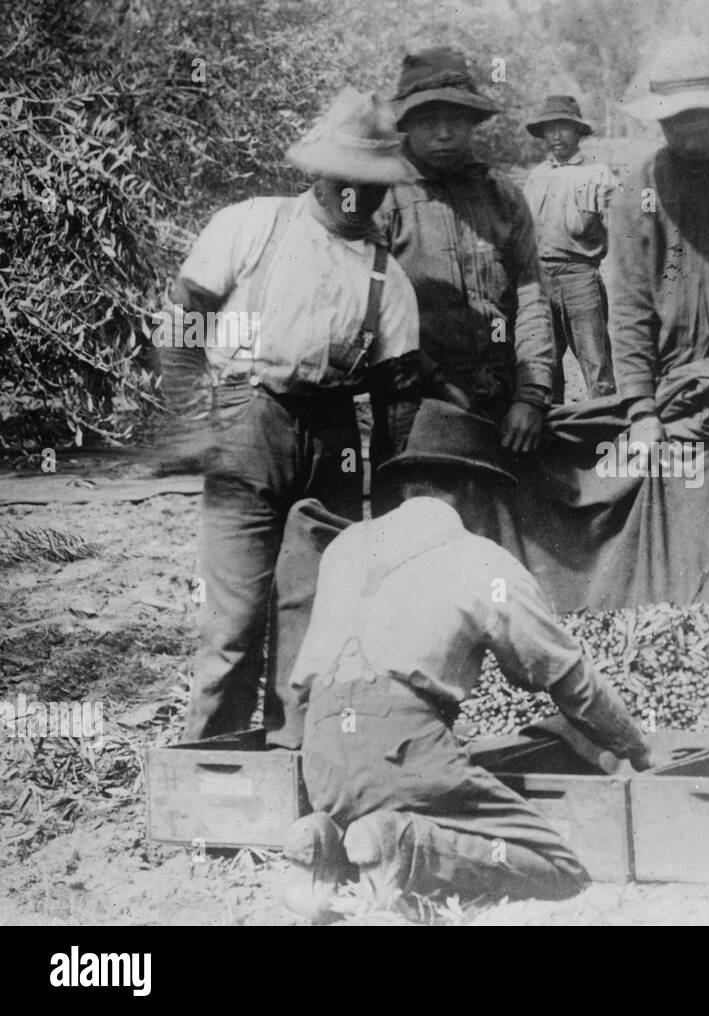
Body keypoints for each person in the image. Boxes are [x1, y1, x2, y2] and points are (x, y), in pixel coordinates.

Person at [280, 401, 657, 920]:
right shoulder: (482, 561)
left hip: (321, 757)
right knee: (558, 865)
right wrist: (637, 748)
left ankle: (326, 838)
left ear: (412, 484)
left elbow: (303, 681)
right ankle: (401, 845)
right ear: (475, 490)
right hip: (402, 748)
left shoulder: (347, 545)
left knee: (397, 802)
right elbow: (568, 677)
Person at [164, 89, 439, 747]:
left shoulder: (385, 279)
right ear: (318, 171)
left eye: (373, 185)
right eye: (347, 179)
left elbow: (396, 400)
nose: (359, 196)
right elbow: (186, 316)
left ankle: (295, 767)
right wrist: (187, 415)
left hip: (334, 436)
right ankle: (211, 771)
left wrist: (398, 513)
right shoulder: (252, 226)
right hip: (247, 420)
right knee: (234, 622)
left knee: (315, 615)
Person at [376, 47, 553, 455]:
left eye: (455, 119)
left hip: (503, 397)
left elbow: (531, 296)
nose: (443, 133)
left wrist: (531, 394)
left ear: (472, 122)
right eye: (427, 120)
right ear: (405, 125)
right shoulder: (383, 199)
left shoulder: (501, 196)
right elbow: (376, 315)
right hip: (416, 400)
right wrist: (437, 384)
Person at [610, 42, 709, 447]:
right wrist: (641, 408)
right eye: (675, 118)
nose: (688, 128)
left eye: (699, 115)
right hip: (674, 381)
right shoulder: (637, 190)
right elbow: (630, 305)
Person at [522, 95, 616, 402]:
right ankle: (553, 444)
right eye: (550, 129)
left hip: (580, 278)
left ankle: (605, 437)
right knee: (543, 373)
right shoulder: (536, 176)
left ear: (578, 133)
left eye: (564, 128)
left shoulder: (597, 173)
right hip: (541, 280)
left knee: (597, 370)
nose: (556, 136)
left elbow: (617, 225)